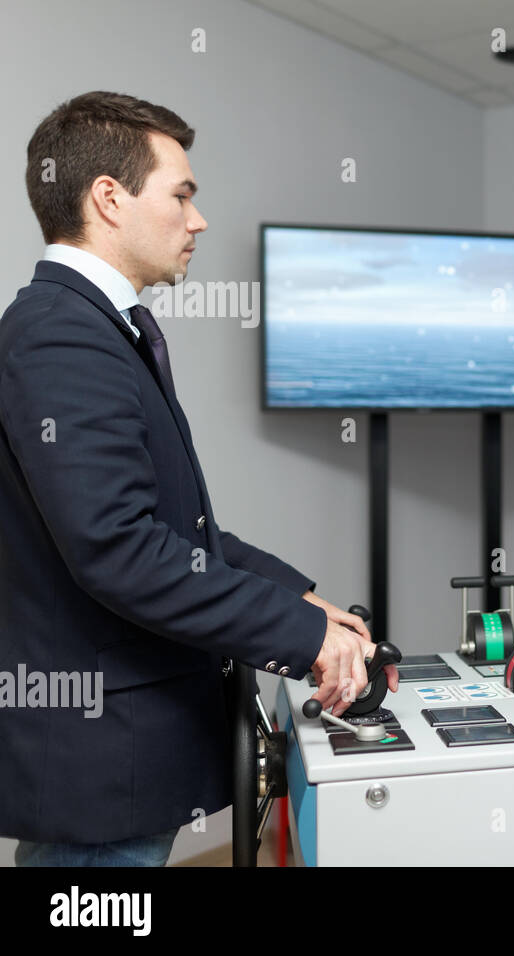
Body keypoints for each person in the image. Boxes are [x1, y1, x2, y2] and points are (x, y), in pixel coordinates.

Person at [0, 91, 397, 867]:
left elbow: (173, 532)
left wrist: (295, 594)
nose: (199, 219)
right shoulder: (60, 338)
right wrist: (302, 635)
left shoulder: (97, 328)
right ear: (108, 199)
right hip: (100, 769)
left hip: (121, 759)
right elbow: (122, 551)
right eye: (181, 194)